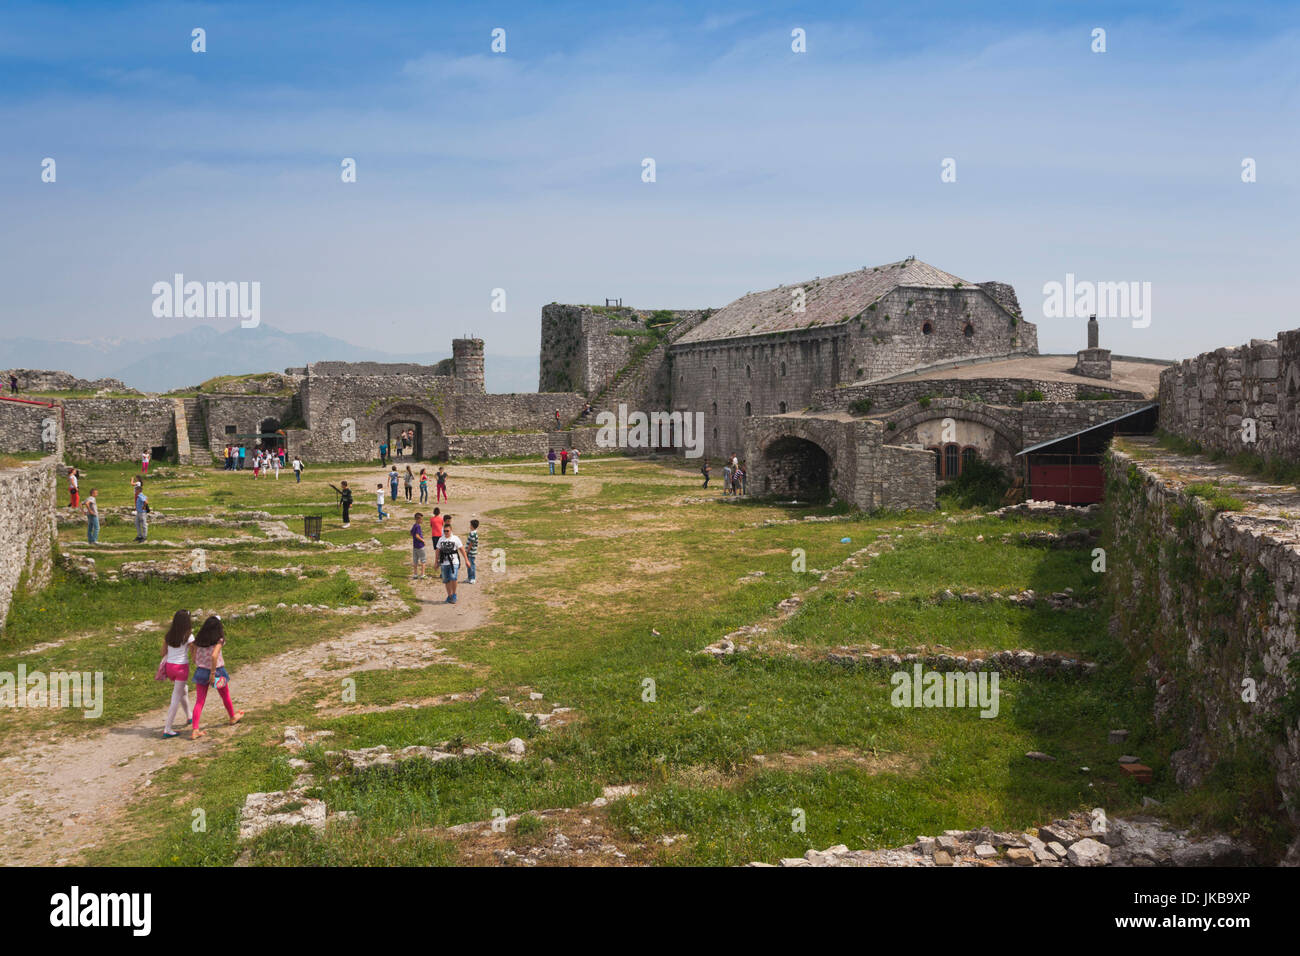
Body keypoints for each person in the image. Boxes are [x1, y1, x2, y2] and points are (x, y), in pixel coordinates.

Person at [190, 615, 244, 740]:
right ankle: (232, 717)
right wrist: (213, 674)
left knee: (200, 701)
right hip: (217, 671)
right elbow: (214, 655)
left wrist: (195, 659)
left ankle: (195, 729)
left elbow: (192, 647)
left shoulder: (199, 639)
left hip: (201, 671)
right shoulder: (219, 640)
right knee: (225, 695)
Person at [159, 610, 194, 738]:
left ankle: (189, 716)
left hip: (170, 667)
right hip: (181, 668)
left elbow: (163, 653)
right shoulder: (188, 636)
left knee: (183, 690)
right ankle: (167, 728)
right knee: (175, 698)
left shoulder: (168, 635)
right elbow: (193, 651)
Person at [436, 516, 467, 604]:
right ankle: (449, 595)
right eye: (444, 531)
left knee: (453, 577)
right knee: (446, 580)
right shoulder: (441, 539)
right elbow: (437, 550)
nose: (446, 532)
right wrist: (436, 562)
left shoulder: (456, 539)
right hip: (444, 562)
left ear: (451, 531)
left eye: (447, 531)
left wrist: (466, 560)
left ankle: (454, 594)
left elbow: (461, 549)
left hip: (454, 562)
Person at [410, 512, 427, 580]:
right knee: (423, 560)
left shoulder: (414, 525)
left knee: (415, 561)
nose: (422, 520)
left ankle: (415, 574)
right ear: (418, 519)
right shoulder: (418, 526)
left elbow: (411, 533)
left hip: (415, 546)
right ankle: (422, 574)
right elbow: (417, 535)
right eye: (421, 519)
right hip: (420, 546)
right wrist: (423, 540)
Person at [466, 518, 480, 584]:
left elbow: (471, 543)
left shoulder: (473, 534)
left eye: (470, 525)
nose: (469, 526)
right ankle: (469, 577)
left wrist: (467, 551)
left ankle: (473, 578)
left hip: (471, 552)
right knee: (468, 565)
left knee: (471, 565)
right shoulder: (473, 533)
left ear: (472, 526)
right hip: (470, 552)